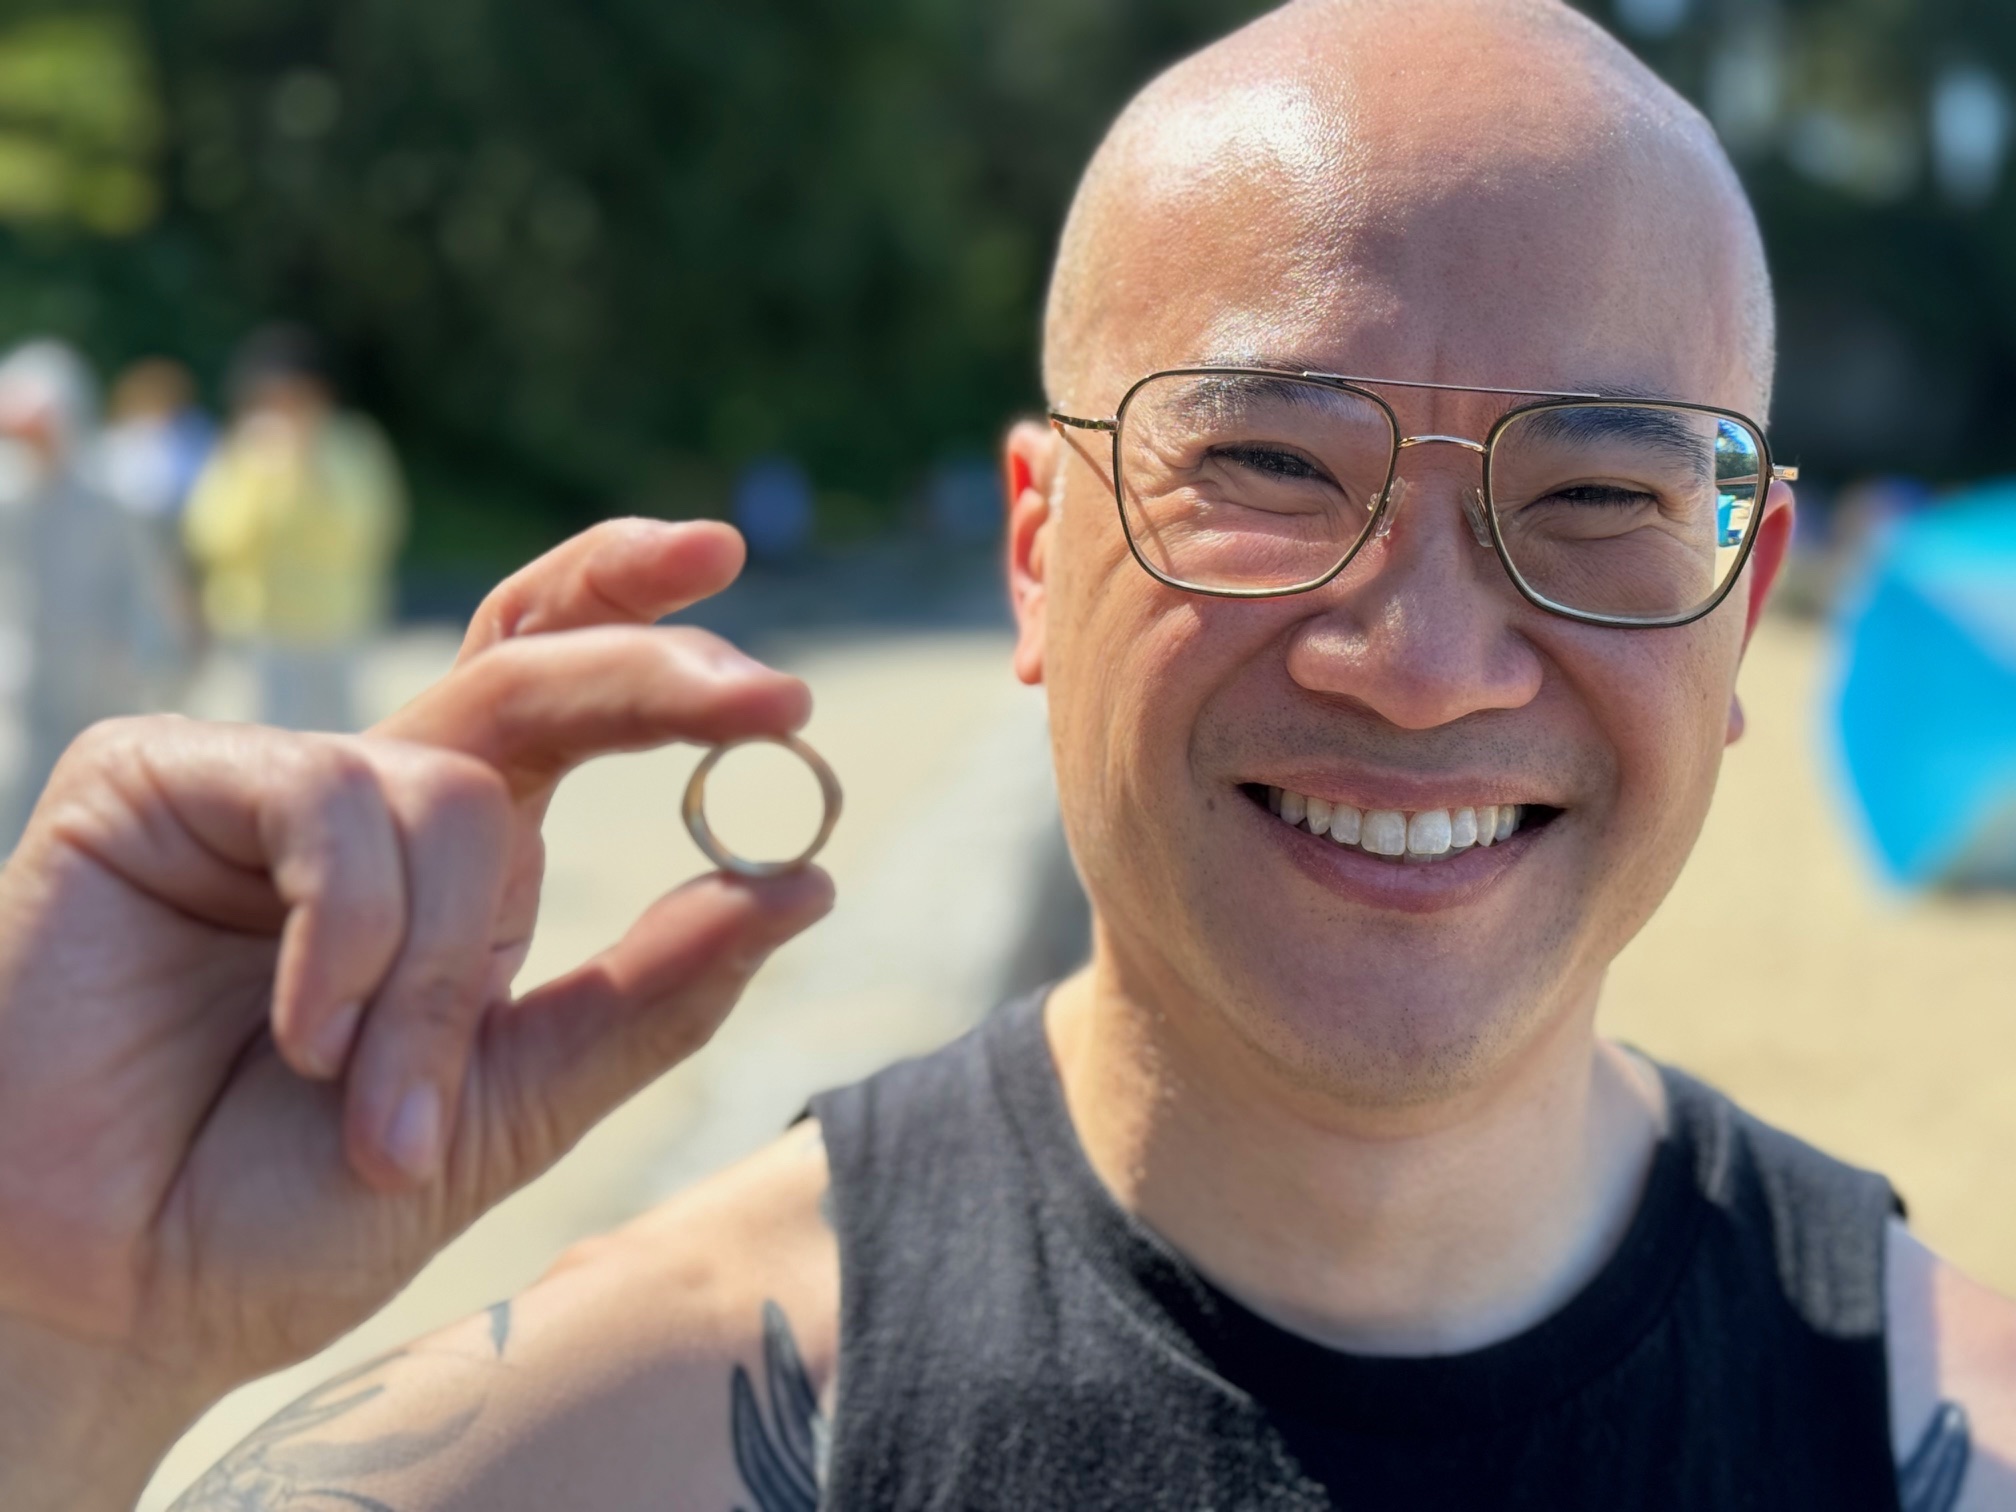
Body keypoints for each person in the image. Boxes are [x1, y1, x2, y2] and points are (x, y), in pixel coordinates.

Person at [0, 2, 2009, 1509]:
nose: (1420, 663)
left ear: (1743, 604)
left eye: (1594, 500)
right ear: (1042, 554)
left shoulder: (1955, 1433)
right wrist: (67, 1350)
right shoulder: (612, 1443)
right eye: (1266, 466)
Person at [183, 326, 406, 732]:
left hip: (335, 626)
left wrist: (308, 468)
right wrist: (264, 482)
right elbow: (211, 535)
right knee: (255, 738)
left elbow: (367, 531)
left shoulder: (352, 444)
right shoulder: (242, 449)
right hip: (255, 628)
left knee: (335, 739)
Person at [0, 340, 150, 850]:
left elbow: (138, 590)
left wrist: (141, 659)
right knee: (18, 804)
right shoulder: (9, 495)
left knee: (95, 797)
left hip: (95, 680)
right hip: (19, 683)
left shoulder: (110, 498)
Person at [98, 357, 217, 712]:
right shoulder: (119, 442)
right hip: (130, 554)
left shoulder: (192, 437)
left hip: (181, 550)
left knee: (182, 652)